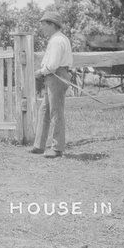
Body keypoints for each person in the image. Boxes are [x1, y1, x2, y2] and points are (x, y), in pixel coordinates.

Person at [31, 10, 74, 158]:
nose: (42, 28)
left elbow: (53, 65)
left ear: (51, 25)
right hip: (55, 76)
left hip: (56, 76)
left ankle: (57, 148)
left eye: (43, 25)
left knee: (56, 112)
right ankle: (39, 145)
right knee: (44, 110)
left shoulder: (57, 41)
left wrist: (40, 72)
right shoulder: (59, 38)